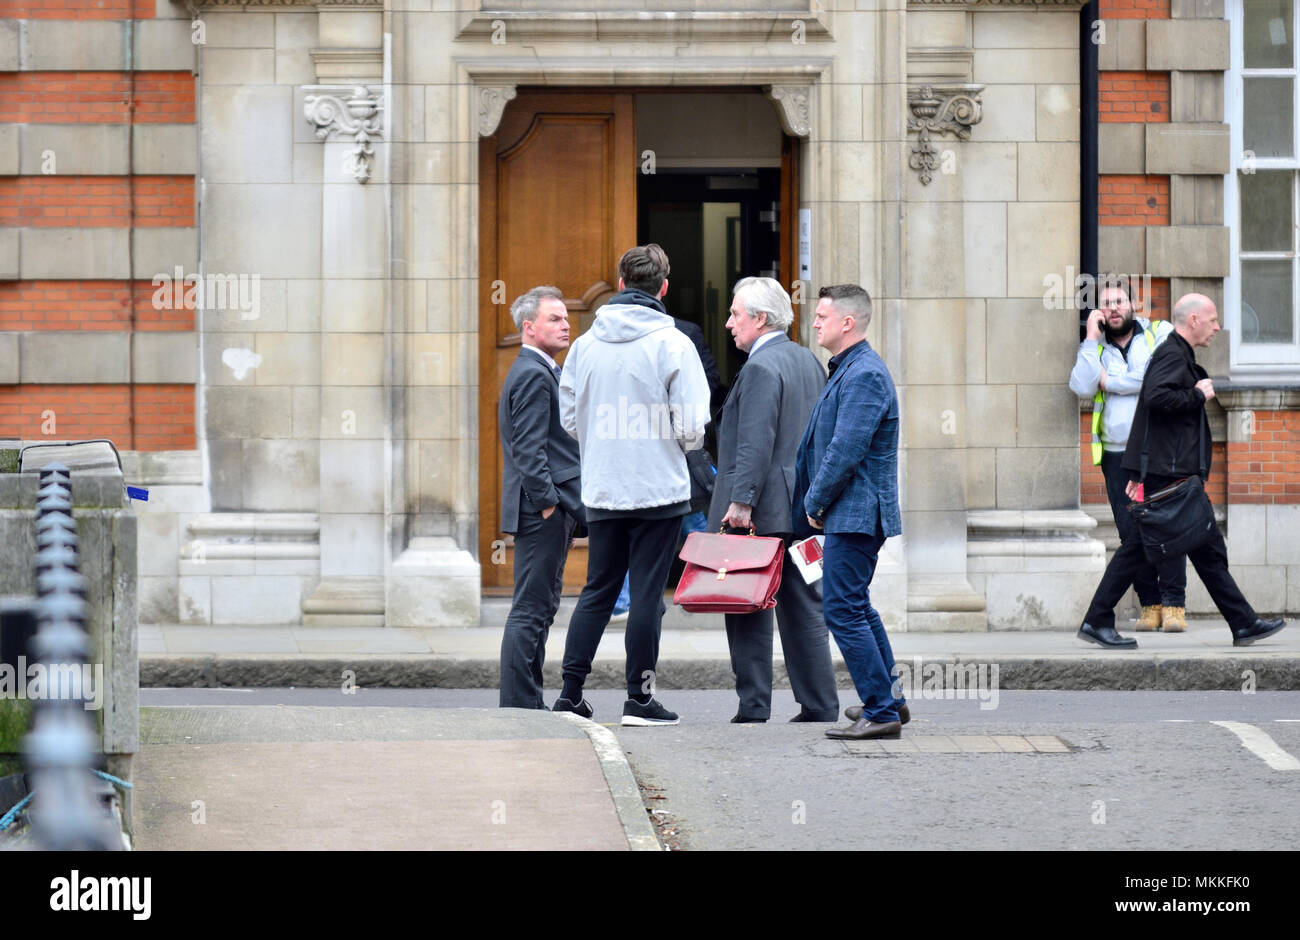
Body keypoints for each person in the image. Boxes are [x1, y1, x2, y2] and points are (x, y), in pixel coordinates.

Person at [553, 244, 712, 726]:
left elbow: (569, 418)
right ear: (663, 288)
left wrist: (605, 444)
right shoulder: (674, 343)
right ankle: (639, 700)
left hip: (603, 486)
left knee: (597, 590)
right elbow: (691, 425)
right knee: (646, 595)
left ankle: (570, 693)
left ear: (620, 285)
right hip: (659, 489)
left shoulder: (584, 344)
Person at [1078, 293, 1287, 649]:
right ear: (1193, 320)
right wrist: (1196, 394)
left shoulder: (1175, 352)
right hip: (1169, 475)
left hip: (1173, 473)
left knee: (1207, 550)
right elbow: (1155, 399)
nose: (1217, 327)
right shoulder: (1172, 353)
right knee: (1139, 548)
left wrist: (1137, 471)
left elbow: (1151, 407)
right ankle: (1098, 618)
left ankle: (1243, 622)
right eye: (1213, 320)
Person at [708, 277, 840, 723]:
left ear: (759, 319)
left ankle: (753, 705)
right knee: (805, 606)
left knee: (745, 604)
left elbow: (755, 443)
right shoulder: (807, 360)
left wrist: (741, 502)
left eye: (735, 314)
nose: (728, 323)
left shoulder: (762, 367)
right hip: (803, 508)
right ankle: (820, 703)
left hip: (762, 510)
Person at [793, 284, 907, 741]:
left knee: (841, 610)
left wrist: (815, 502)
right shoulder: (850, 369)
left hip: (855, 511)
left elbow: (845, 450)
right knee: (856, 605)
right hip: (852, 510)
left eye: (822, 316)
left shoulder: (864, 375)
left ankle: (880, 710)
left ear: (847, 323)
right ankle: (890, 699)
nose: (815, 323)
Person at [1069, 279, 1186, 631]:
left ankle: (1174, 605)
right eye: (1106, 304)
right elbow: (1081, 386)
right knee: (1129, 531)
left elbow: (1159, 377)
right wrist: (1091, 337)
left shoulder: (1159, 334)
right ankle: (1150, 604)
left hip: (1158, 450)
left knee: (1167, 525)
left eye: (1119, 301)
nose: (1114, 308)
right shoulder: (1096, 349)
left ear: (1134, 304)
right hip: (1117, 457)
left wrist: (1114, 382)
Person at [497, 286, 584, 709]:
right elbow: (529, 450)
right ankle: (519, 706)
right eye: (554, 318)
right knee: (531, 608)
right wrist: (550, 502)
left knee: (541, 605)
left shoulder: (542, 369)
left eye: (566, 317)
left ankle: (527, 704)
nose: (566, 324)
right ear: (528, 328)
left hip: (545, 509)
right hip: (540, 511)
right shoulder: (533, 372)